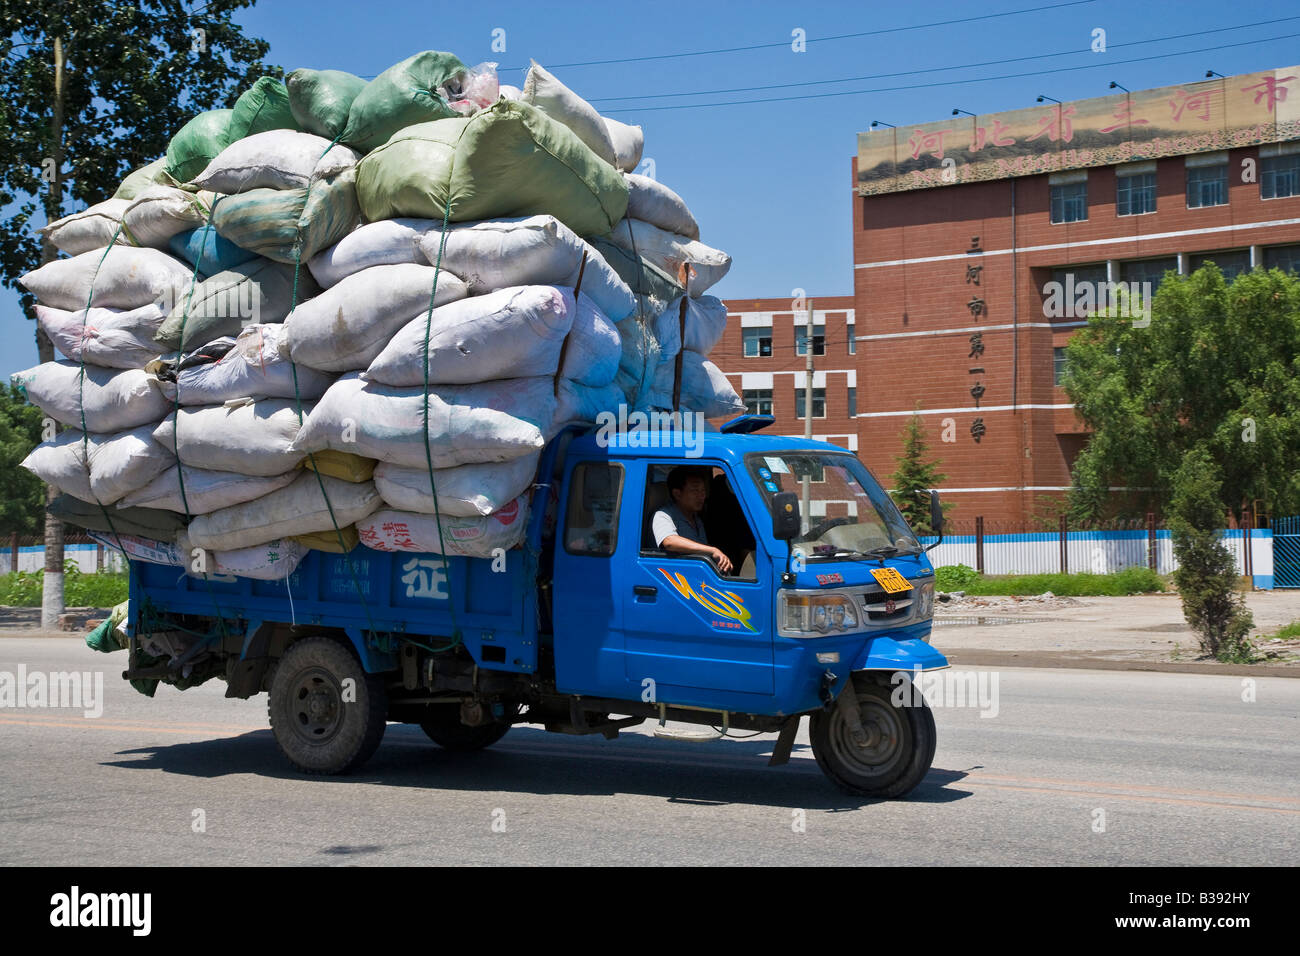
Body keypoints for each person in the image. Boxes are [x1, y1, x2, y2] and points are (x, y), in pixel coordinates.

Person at [652, 467, 734, 574]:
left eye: (703, 490)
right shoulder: (663, 515)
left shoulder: (696, 518)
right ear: (677, 494)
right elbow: (669, 542)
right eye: (695, 490)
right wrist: (712, 550)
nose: (702, 496)